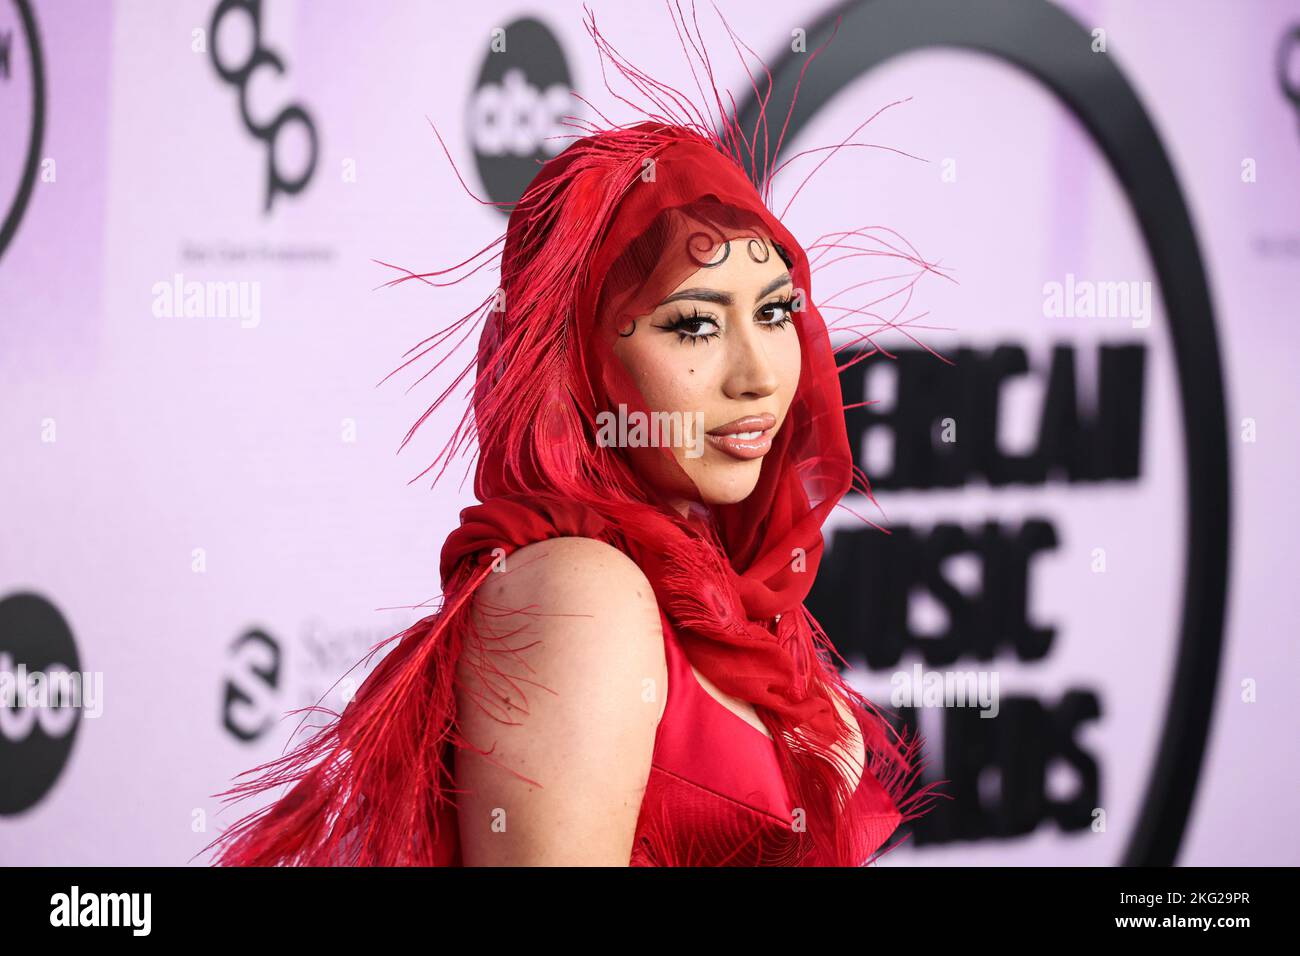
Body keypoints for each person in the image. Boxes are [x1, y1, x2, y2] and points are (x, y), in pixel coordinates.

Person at [203, 9, 947, 868]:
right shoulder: (581, 595)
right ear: (582, 360)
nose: (759, 376)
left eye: (776, 311)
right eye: (695, 326)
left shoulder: (735, 605)